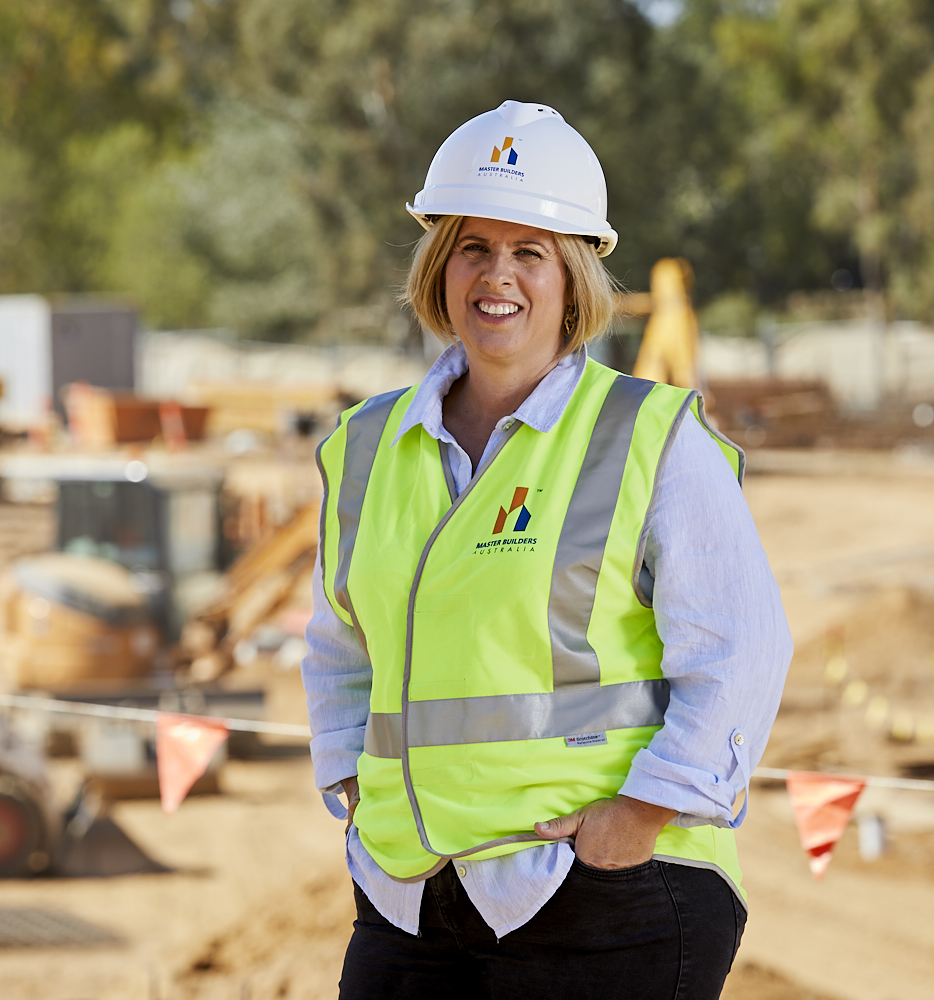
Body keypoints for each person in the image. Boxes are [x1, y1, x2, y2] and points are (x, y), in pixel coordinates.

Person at [303, 101, 792, 1000]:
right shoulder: (367, 446)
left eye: (530, 252)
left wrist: (639, 815)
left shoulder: (649, 437)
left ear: (572, 279)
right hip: (413, 893)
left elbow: (743, 648)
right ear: (436, 264)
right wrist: (349, 776)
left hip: (605, 893)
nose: (499, 277)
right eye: (473, 247)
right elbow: (339, 639)